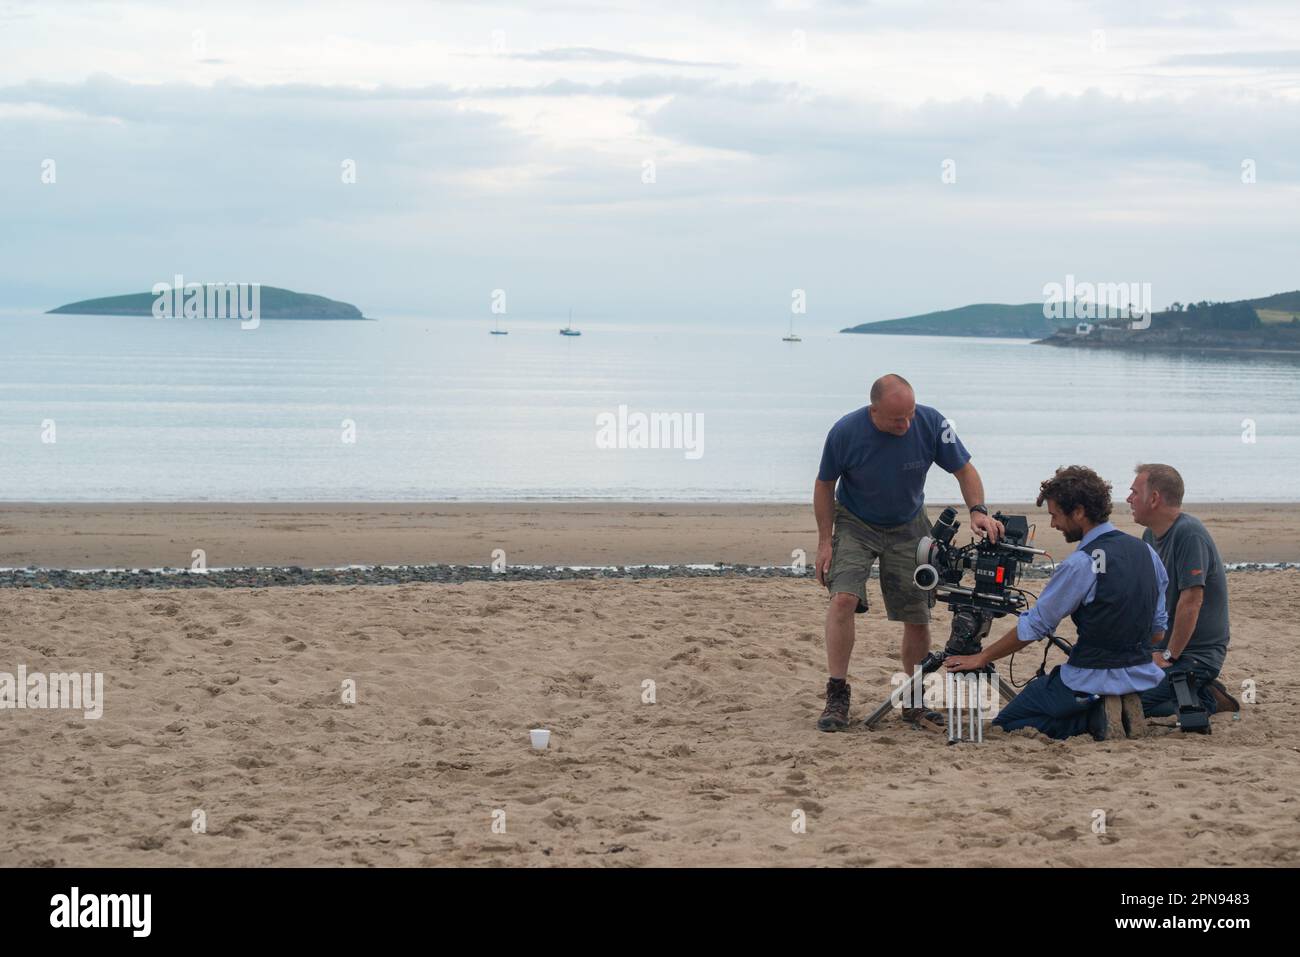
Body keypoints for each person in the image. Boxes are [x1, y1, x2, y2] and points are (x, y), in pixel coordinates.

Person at [813, 373, 1004, 731]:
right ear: (874, 411)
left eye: (910, 414)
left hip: (909, 522)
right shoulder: (845, 431)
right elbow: (825, 484)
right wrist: (826, 541)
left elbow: (964, 469)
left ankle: (914, 700)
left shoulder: (931, 422)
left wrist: (978, 510)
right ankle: (837, 694)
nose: (906, 424)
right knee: (842, 599)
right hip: (855, 521)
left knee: (917, 613)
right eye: (897, 419)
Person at [945, 466, 1167, 740]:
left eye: (1055, 515)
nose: (1053, 525)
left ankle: (1095, 716)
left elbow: (1035, 627)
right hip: (1141, 672)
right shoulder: (1147, 552)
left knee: (1010, 721)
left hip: (1088, 676)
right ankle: (1116, 706)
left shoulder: (1081, 562)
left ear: (1079, 512)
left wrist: (982, 657)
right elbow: (1158, 629)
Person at [1126, 463, 1239, 717]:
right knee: (1114, 689)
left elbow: (1192, 600)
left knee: (1137, 706)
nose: (1129, 499)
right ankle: (1186, 686)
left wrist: (1169, 655)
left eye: (1134, 492)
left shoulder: (1189, 533)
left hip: (1195, 655)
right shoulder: (1150, 536)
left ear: (1154, 498)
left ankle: (1207, 698)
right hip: (1163, 651)